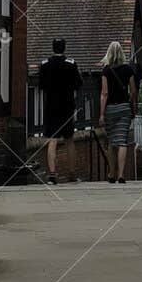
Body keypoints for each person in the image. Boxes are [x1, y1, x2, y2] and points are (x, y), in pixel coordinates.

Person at [38, 39, 82, 184]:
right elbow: (78, 84)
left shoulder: (45, 64)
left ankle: (52, 174)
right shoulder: (71, 63)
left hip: (51, 106)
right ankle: (71, 173)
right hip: (67, 106)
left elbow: (41, 85)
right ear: (64, 48)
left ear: (53, 48)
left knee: (52, 139)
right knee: (69, 139)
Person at [99, 41, 137, 184]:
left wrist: (101, 114)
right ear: (121, 53)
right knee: (122, 142)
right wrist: (133, 107)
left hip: (110, 109)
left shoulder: (106, 71)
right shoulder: (128, 69)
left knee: (111, 143)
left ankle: (111, 173)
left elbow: (104, 93)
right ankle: (121, 174)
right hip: (124, 108)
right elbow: (133, 92)